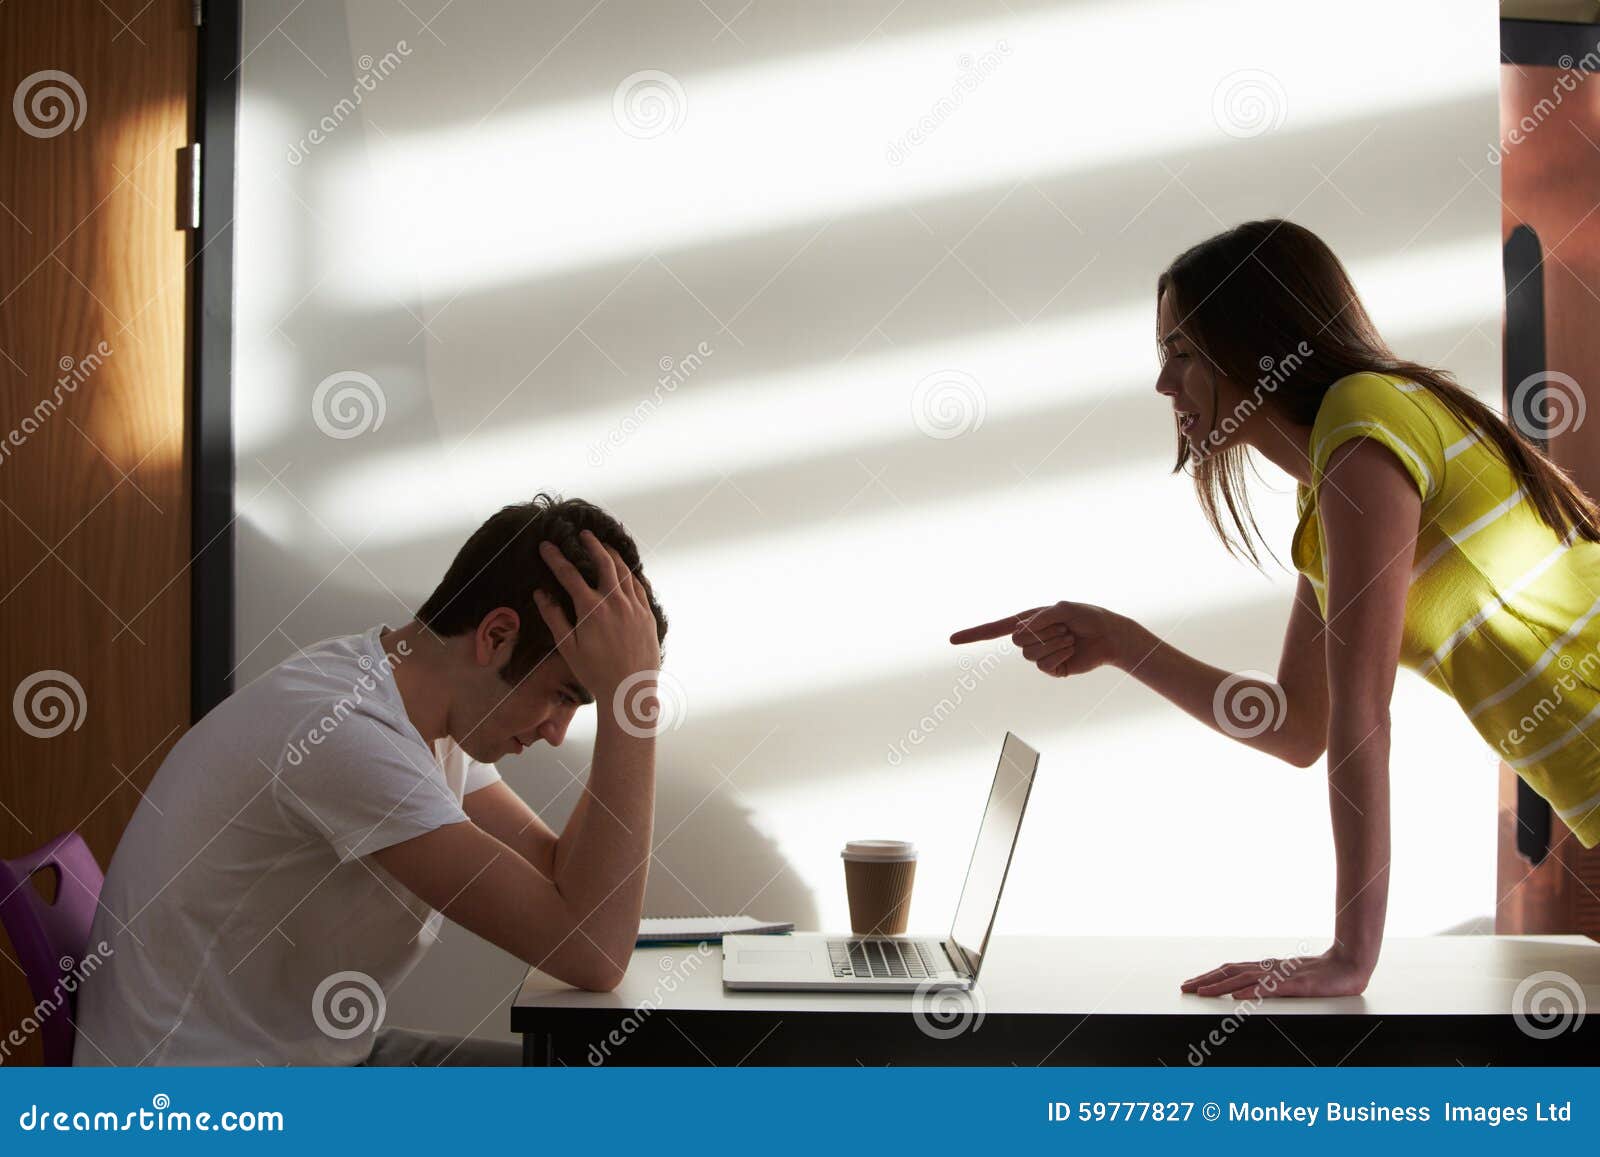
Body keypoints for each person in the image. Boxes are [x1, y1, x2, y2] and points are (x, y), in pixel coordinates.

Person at [951, 219, 1600, 999]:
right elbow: (1298, 726)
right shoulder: (1333, 478)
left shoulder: (1366, 420)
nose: (1164, 384)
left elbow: (1362, 714)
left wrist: (1350, 955)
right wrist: (1125, 644)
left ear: (1256, 344)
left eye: (1182, 352)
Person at [75, 494, 668, 1065]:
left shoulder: (417, 710)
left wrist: (624, 690)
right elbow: (591, 954)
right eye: (563, 696)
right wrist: (628, 704)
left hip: (321, 1065)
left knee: (608, 1101)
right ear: (496, 636)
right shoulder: (347, 735)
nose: (557, 732)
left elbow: (562, 877)